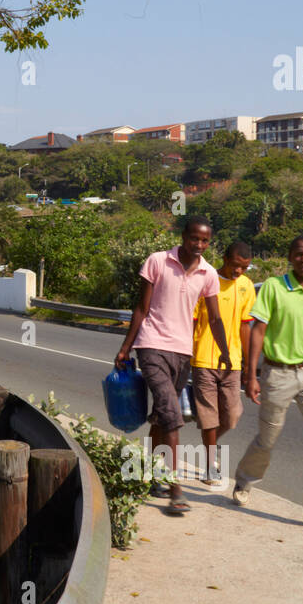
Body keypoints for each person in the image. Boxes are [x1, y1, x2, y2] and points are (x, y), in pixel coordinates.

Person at [115, 216, 232, 514]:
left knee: (161, 416)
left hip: (183, 352)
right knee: (172, 411)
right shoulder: (157, 261)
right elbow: (141, 307)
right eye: (194, 238)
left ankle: (151, 474)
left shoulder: (208, 274)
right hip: (151, 345)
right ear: (183, 236)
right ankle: (175, 488)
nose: (199, 244)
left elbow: (215, 318)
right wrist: (126, 347)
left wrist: (225, 353)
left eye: (205, 240)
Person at [232, 233, 303, 535]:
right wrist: (250, 374)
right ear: (290, 257)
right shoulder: (274, 287)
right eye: (298, 254)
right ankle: (245, 479)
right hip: (277, 374)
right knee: (268, 439)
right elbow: (258, 330)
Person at [191, 240, 255, 488]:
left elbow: (244, 325)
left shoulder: (247, 286)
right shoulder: (206, 281)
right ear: (226, 259)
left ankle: (209, 445)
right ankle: (210, 465)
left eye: (245, 268)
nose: (239, 271)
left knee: (232, 415)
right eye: (236, 266)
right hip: (204, 357)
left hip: (233, 362)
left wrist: (249, 365)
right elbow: (193, 320)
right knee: (210, 416)